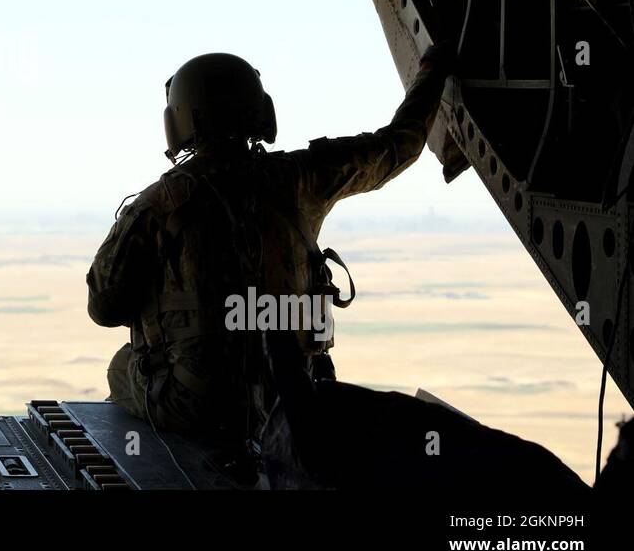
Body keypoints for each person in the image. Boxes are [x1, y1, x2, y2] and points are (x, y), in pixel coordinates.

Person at [86, 44, 453, 460]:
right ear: (261, 112)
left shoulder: (158, 204)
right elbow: (398, 145)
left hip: (195, 404)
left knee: (122, 366)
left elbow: (104, 306)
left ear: (179, 122)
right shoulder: (303, 178)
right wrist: (432, 69)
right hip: (293, 395)